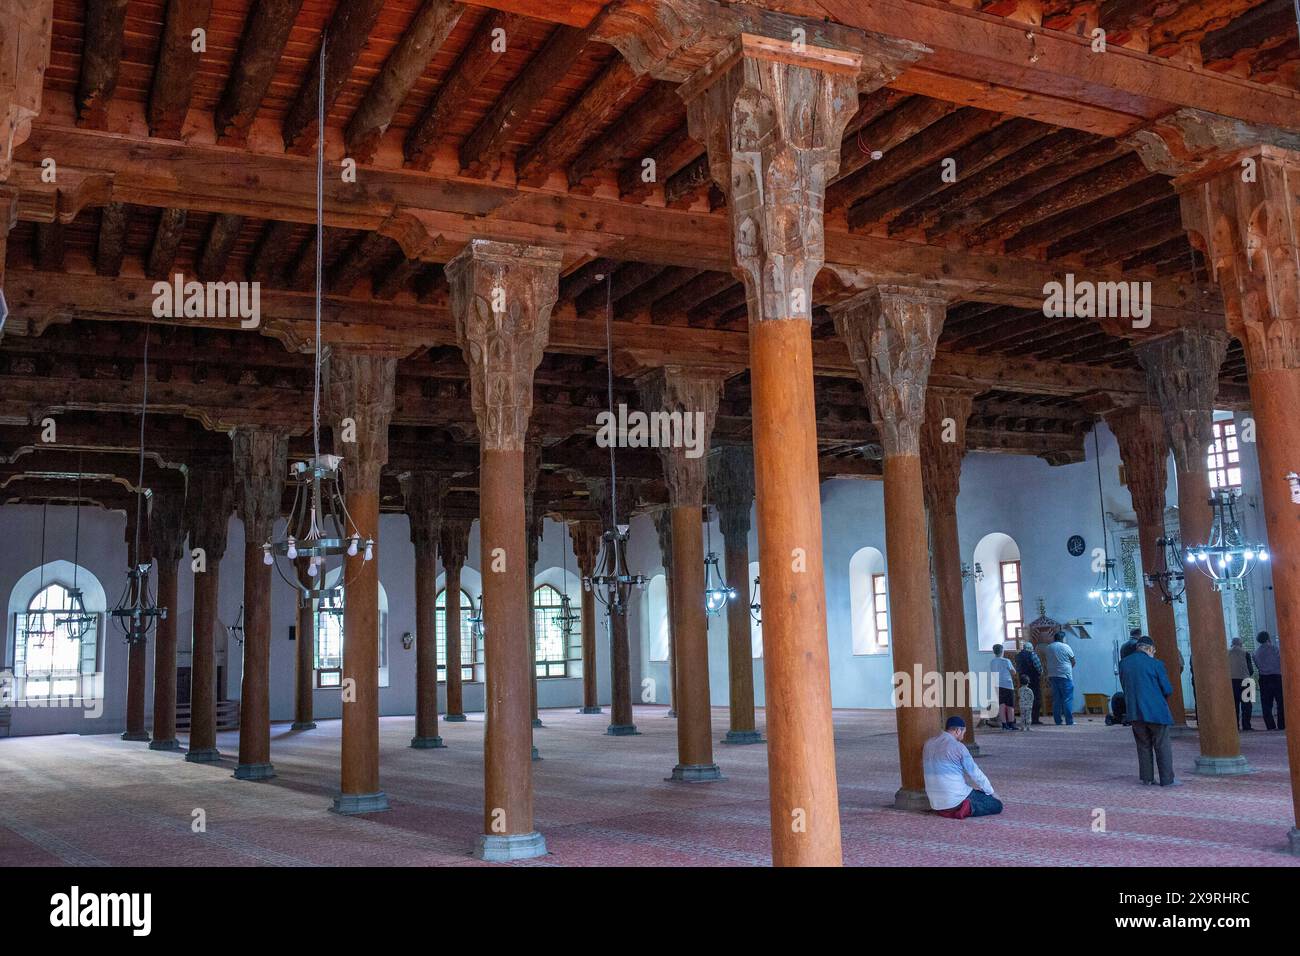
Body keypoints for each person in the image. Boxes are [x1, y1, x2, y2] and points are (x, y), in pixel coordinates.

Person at [1118, 636, 1178, 786]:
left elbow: (1125, 686)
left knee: (1143, 745)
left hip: (1134, 711)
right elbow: (1167, 689)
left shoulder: (1124, 664)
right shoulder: (1156, 664)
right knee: (1162, 745)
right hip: (1156, 712)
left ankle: (1147, 778)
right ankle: (1167, 779)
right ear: (1150, 649)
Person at [922, 716, 1002, 818]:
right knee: (996, 804)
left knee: (976, 793)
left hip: (935, 804)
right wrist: (991, 792)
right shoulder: (958, 747)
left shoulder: (928, 743)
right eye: (963, 732)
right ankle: (965, 808)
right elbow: (975, 773)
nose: (963, 736)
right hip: (954, 800)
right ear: (957, 730)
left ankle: (953, 809)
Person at [1042, 631, 1076, 725]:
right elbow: (1073, 661)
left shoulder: (1048, 647)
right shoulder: (1066, 646)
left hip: (1052, 675)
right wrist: (1068, 669)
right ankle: (1069, 721)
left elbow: (1046, 660)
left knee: (1056, 699)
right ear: (1062, 638)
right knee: (1067, 698)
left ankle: (1057, 720)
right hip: (1065, 676)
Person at [1255, 631, 1285, 731]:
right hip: (1276, 677)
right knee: (1280, 702)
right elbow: (1281, 661)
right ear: (1268, 638)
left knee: (1266, 704)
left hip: (1264, 679)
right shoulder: (1275, 649)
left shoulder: (1256, 652)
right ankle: (1282, 725)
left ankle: (1270, 726)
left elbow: (1257, 666)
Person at [1227, 637, 1255, 731]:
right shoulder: (1245, 653)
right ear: (1241, 644)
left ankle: (1235, 726)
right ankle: (1246, 725)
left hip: (1231, 681)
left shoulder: (1226, 653)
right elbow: (1250, 669)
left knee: (1233, 705)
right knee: (1246, 704)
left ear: (1232, 644)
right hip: (1245, 680)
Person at [989, 644, 1019, 730]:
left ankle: (1004, 724)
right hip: (1007, 685)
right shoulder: (1006, 661)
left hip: (997, 685)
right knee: (1010, 706)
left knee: (1001, 705)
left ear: (994, 652)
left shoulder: (992, 662)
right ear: (1002, 651)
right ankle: (1011, 724)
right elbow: (1013, 672)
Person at [1016, 641, 1043, 724]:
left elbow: (1017, 669)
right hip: (1034, 680)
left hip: (1023, 680)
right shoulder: (1033, 655)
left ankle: (1025, 719)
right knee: (1035, 699)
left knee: (1024, 700)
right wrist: (1040, 673)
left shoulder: (1018, 656)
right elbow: (1039, 668)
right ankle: (1035, 719)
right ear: (1031, 648)